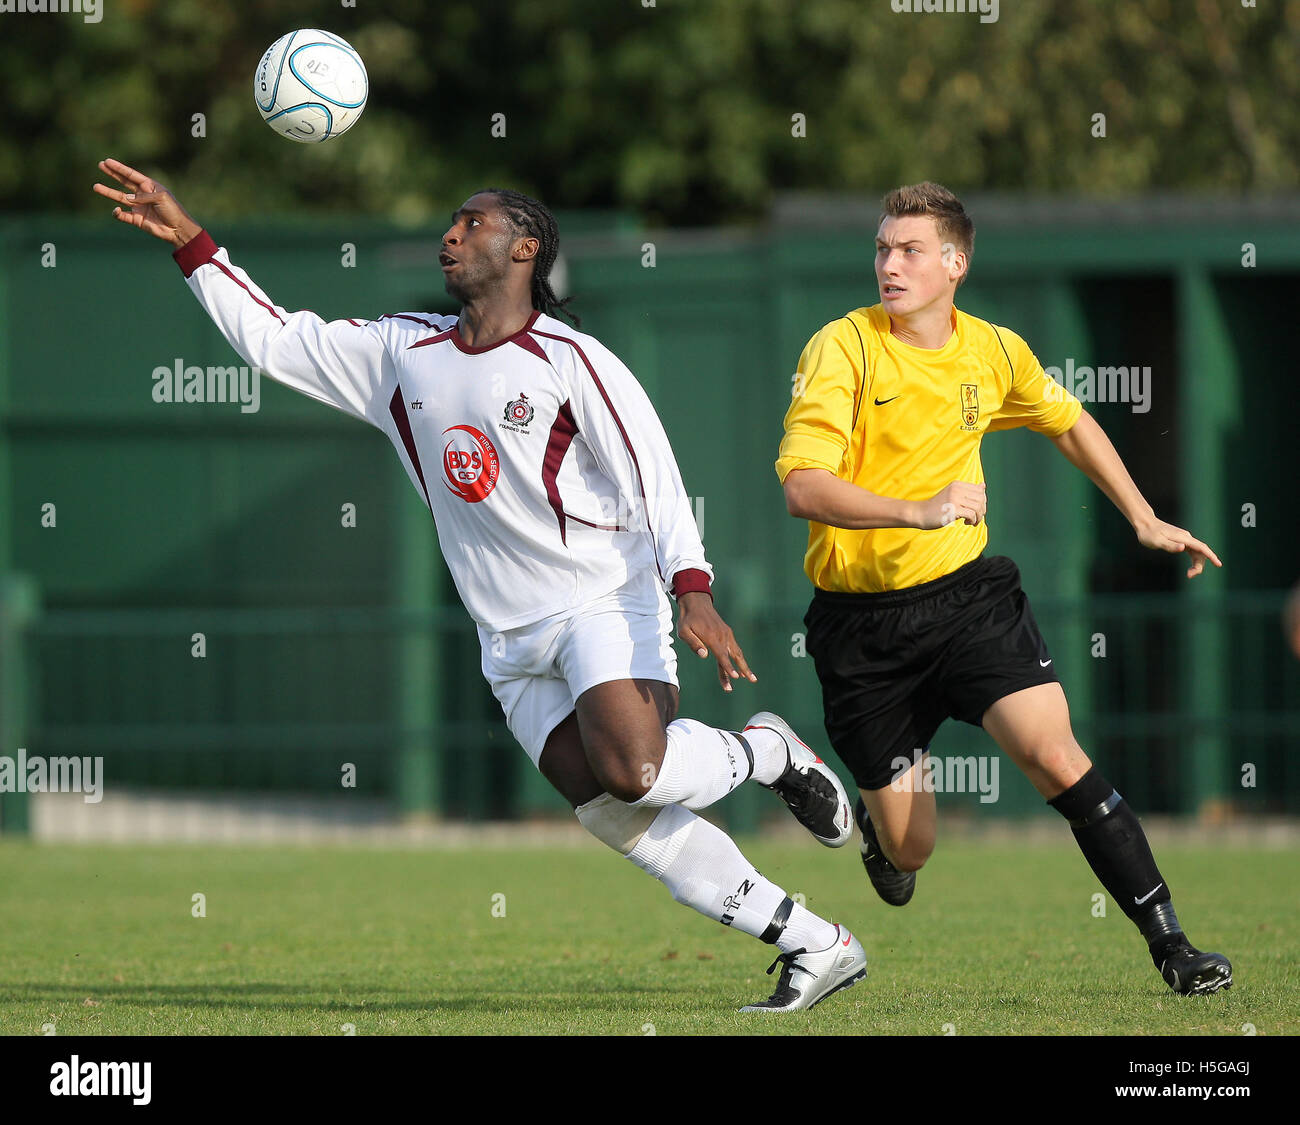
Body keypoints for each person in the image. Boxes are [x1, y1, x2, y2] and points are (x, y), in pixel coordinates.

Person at [93, 158, 864, 1013]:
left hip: (602, 597)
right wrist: (191, 242)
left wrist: (691, 586)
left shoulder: (573, 358)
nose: (451, 235)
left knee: (635, 770)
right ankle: (813, 942)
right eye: (451, 223)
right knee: (612, 812)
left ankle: (767, 751)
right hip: (508, 636)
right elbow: (275, 340)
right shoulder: (400, 351)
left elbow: (653, 470)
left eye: (474, 221)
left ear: (525, 246)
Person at [777, 181, 1232, 996]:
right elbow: (803, 487)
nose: (889, 264)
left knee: (1054, 753)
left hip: (967, 602)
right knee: (912, 850)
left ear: (956, 262)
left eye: (910, 250)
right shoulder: (841, 347)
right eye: (882, 248)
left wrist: (1142, 516)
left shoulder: (994, 349)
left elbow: (1068, 419)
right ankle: (880, 836)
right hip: (862, 628)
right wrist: (915, 508)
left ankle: (1174, 947)